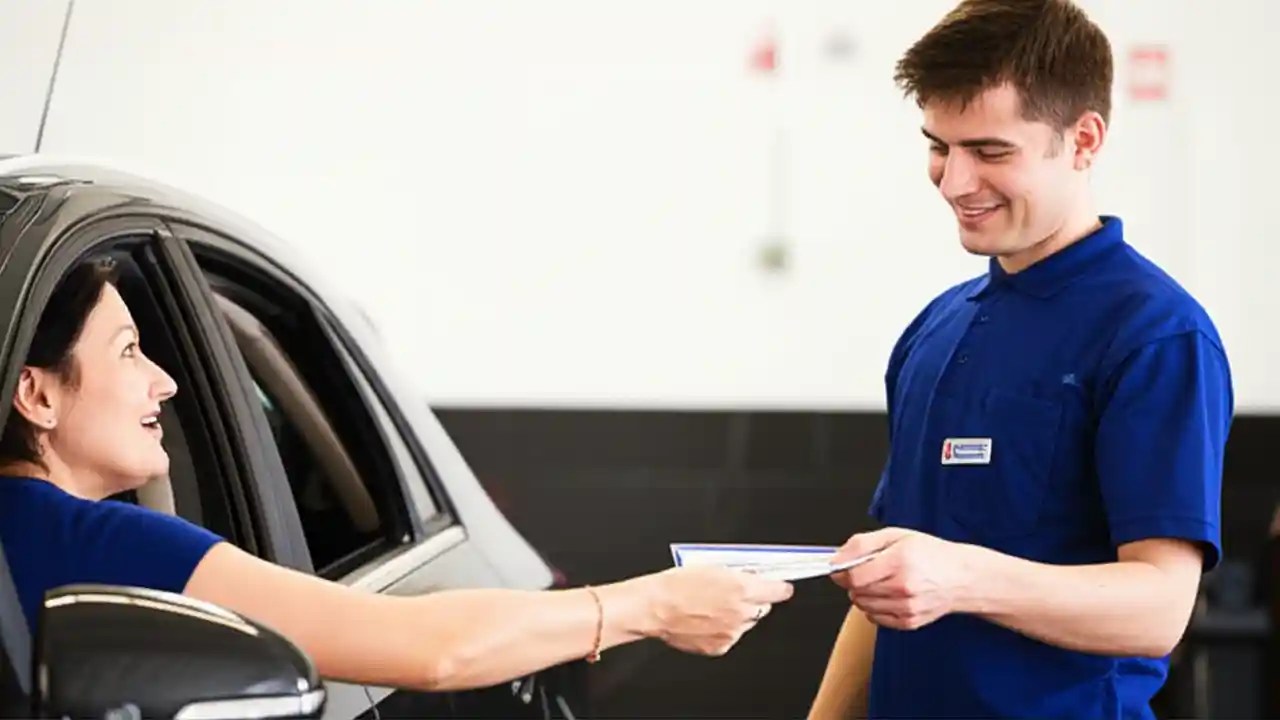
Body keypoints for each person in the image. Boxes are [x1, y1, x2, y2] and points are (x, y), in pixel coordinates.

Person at [0, 255, 794, 693]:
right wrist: (653, 604)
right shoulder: (95, 545)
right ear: (35, 393)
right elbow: (435, 650)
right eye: (129, 352)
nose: (165, 382)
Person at [808, 1, 1232, 718]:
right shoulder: (935, 329)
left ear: (1084, 140)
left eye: (990, 152)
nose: (953, 182)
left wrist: (957, 578)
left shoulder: (1156, 334)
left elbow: (1158, 608)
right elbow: (890, 585)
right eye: (939, 146)